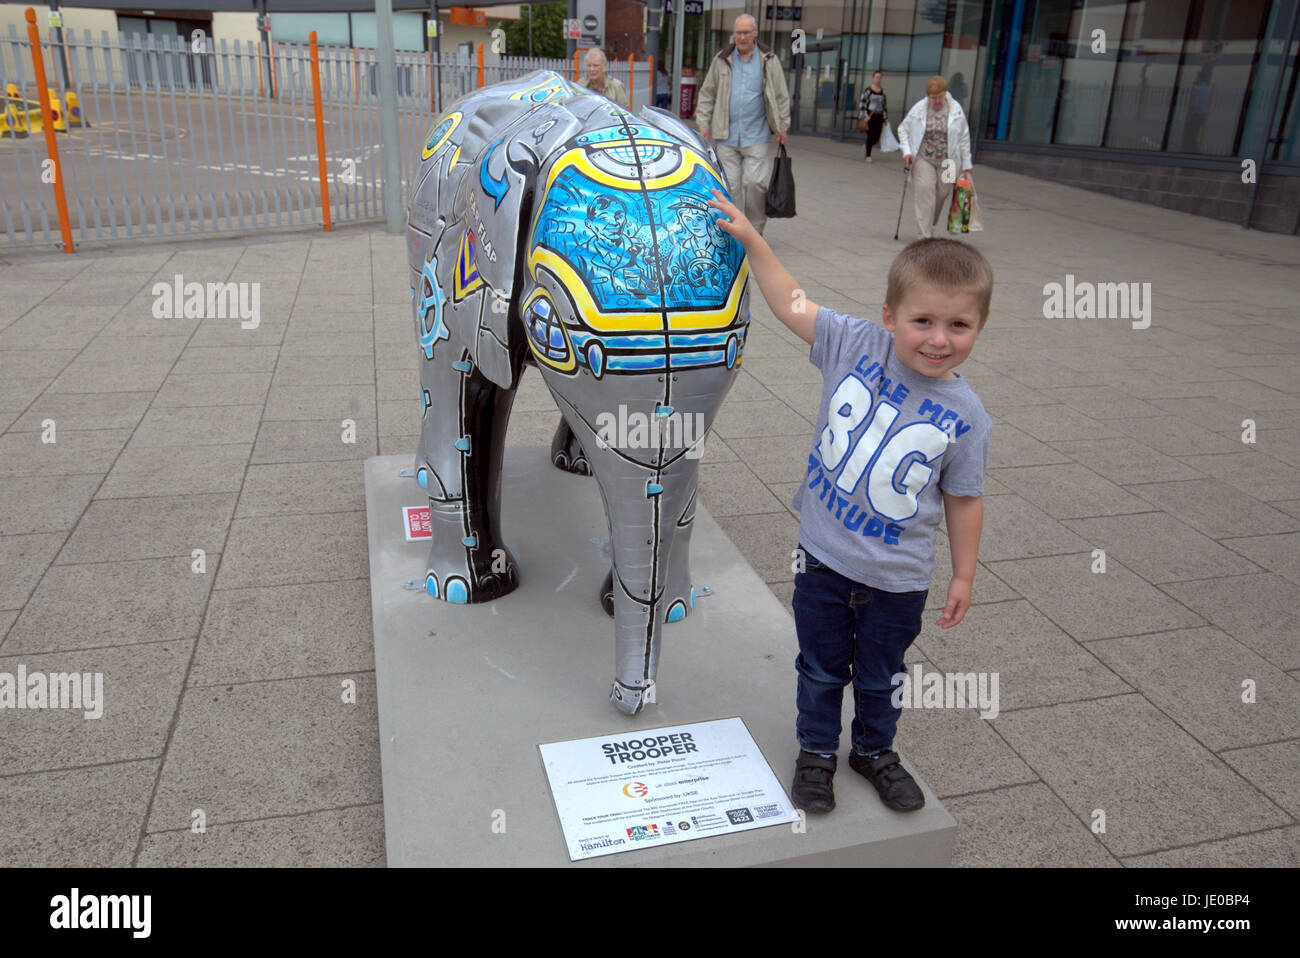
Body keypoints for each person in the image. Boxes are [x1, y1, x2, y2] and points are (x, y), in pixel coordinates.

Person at [707, 187, 993, 815]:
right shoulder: (853, 343)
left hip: (898, 580)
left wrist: (965, 573)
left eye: (959, 325)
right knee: (819, 667)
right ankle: (816, 751)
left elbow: (964, 500)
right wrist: (755, 241)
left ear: (979, 327)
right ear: (890, 316)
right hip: (822, 560)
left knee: (881, 675)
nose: (938, 339)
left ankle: (874, 749)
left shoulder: (966, 415)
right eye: (923, 320)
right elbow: (791, 301)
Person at [695, 13, 791, 235]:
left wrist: (782, 126)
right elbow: (707, 93)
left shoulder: (768, 59)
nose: (742, 37)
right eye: (738, 32)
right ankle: (736, 231)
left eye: (746, 32)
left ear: (755, 33)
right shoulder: (722, 59)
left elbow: (780, 95)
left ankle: (755, 230)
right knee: (733, 188)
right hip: (726, 135)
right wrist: (704, 123)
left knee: (755, 183)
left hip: (756, 134)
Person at [898, 76, 973, 238]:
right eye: (933, 98)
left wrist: (967, 162)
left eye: (939, 97)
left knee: (942, 194)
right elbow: (903, 129)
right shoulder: (919, 108)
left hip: (948, 161)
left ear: (945, 94)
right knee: (925, 193)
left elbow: (964, 137)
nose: (937, 101)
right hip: (924, 158)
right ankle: (924, 237)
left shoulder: (956, 110)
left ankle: (930, 221)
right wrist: (907, 151)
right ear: (928, 97)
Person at [858, 71, 888, 162]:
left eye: (880, 77)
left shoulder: (882, 92)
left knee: (877, 136)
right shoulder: (868, 90)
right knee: (870, 135)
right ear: (873, 78)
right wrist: (864, 116)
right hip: (870, 116)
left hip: (879, 116)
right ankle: (868, 155)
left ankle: (867, 146)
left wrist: (885, 117)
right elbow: (862, 103)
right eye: (876, 77)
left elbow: (884, 105)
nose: (878, 79)